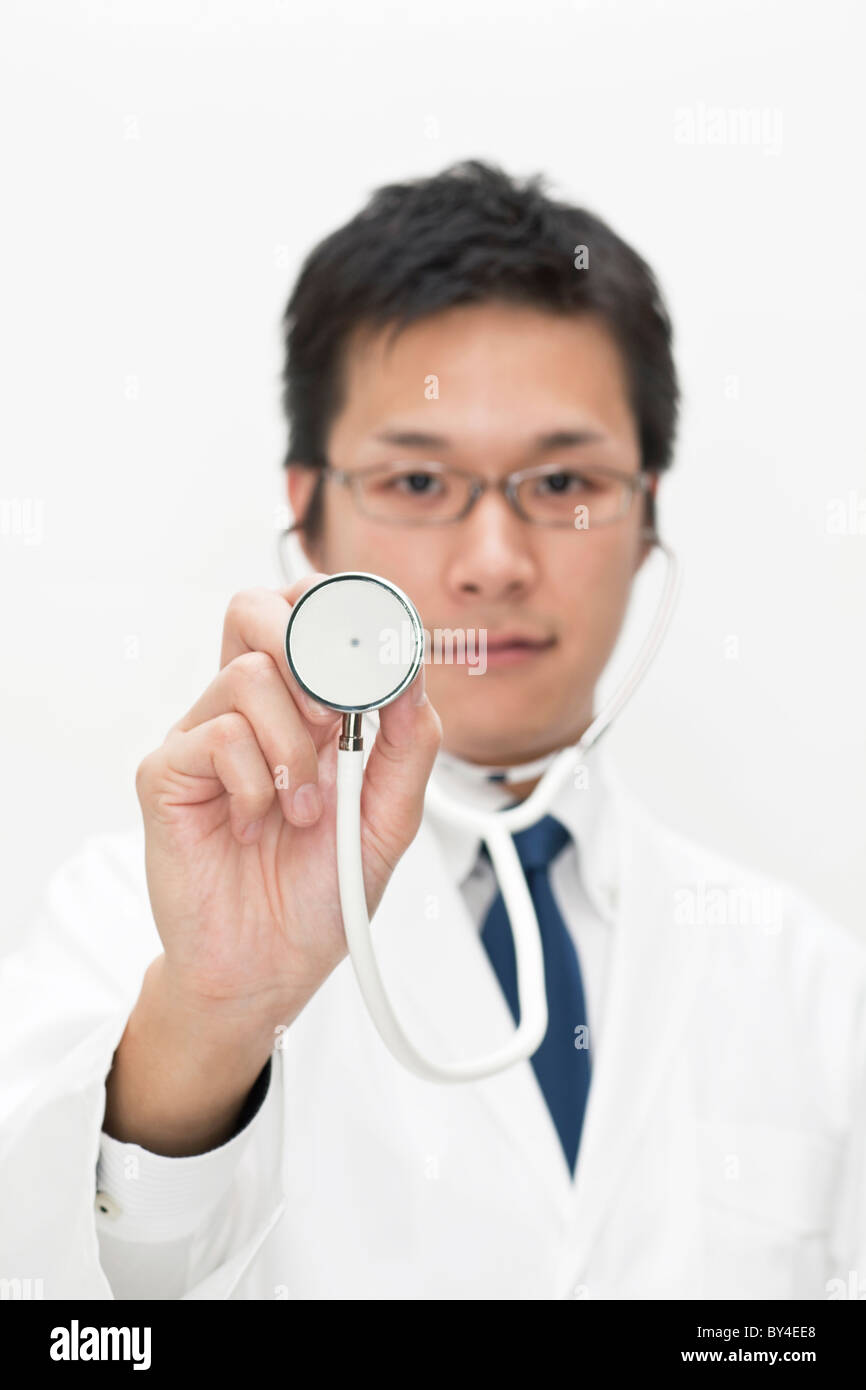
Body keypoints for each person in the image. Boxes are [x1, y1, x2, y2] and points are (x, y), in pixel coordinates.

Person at [1, 159, 864, 1302]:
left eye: (561, 482)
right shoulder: (131, 926)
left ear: (645, 511)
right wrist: (211, 1020)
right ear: (307, 511)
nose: (493, 562)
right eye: (416, 481)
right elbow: (66, 1295)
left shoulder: (806, 983)